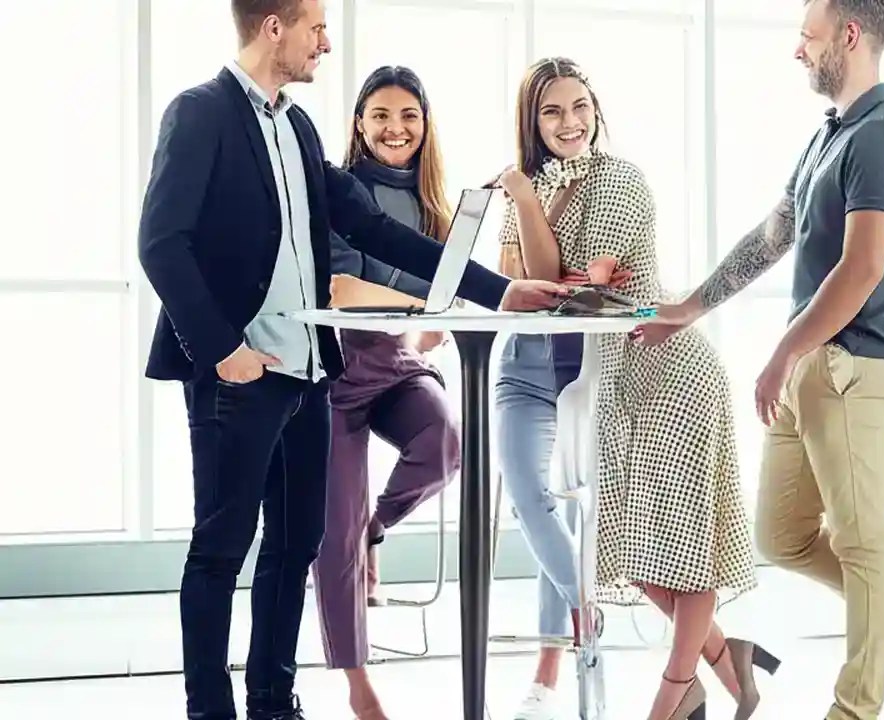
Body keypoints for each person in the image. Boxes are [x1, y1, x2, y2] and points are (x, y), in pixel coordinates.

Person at [135, 2, 564, 718]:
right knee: (221, 547)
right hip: (238, 373)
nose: (325, 43)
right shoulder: (200, 113)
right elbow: (161, 243)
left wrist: (499, 290)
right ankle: (209, 710)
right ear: (274, 27)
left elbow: (367, 227)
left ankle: (274, 700)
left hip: (306, 372)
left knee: (297, 541)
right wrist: (223, 351)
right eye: (315, 27)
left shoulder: (296, 127)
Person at [639, 2, 884, 718]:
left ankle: (854, 709)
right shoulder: (833, 134)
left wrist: (781, 353)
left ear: (849, 36)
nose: (797, 51)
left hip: (851, 365)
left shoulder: (881, 137)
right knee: (782, 536)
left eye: (808, 36)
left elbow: (861, 269)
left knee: (861, 540)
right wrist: (690, 308)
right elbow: (772, 236)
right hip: (812, 368)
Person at [494, 56, 776, 720]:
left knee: (685, 538)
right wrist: (532, 203)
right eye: (553, 111)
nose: (571, 122)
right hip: (614, 378)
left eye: (581, 106)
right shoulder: (534, 185)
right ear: (532, 123)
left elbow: (581, 286)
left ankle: (674, 696)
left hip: (671, 368)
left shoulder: (620, 180)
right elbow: (528, 280)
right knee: (630, 550)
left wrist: (533, 226)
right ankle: (727, 665)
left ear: (597, 110)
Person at [306, 65, 462, 720]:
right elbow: (342, 292)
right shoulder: (339, 191)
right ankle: (357, 682)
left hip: (394, 360)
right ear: (359, 124)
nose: (394, 129)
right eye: (380, 116)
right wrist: (418, 302)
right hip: (338, 366)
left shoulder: (434, 204)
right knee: (331, 533)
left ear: (426, 126)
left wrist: (426, 325)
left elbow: (430, 298)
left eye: (408, 116)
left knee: (445, 440)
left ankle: (376, 531)